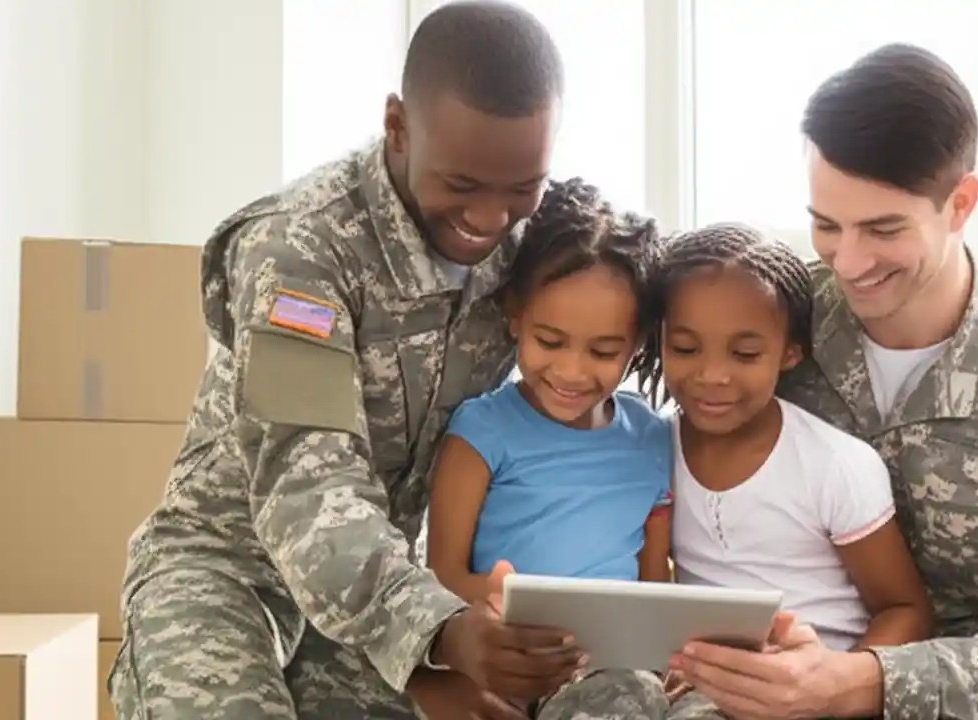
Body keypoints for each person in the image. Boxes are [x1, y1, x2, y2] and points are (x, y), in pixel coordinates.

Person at [108, 3, 607, 718]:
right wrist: (438, 629)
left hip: (371, 603)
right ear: (398, 126)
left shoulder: (537, 239)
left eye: (521, 189)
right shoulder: (301, 248)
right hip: (224, 569)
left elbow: (650, 290)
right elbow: (308, 486)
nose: (493, 218)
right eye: (462, 185)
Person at [668, 44, 978, 720]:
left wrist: (856, 684)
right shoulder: (770, 323)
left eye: (883, 228)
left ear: (960, 203)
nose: (850, 261)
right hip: (778, 688)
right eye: (826, 225)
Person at [631, 223, 933, 719]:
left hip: (816, 692)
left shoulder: (834, 465)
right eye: (686, 348)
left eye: (745, 354)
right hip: (704, 697)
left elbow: (907, 611)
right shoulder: (650, 450)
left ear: (790, 352)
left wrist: (831, 687)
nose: (712, 375)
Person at [426, 177, 673, 718]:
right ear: (515, 316)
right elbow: (442, 574)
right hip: (506, 656)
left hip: (613, 674)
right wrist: (493, 599)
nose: (570, 371)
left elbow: (656, 590)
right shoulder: (482, 431)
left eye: (603, 351)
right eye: (550, 341)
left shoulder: (654, 440)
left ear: (636, 346)